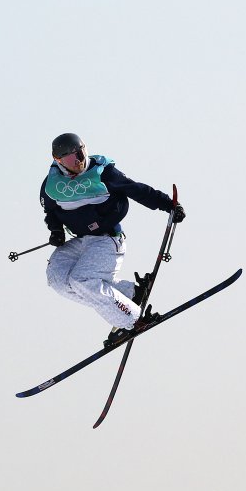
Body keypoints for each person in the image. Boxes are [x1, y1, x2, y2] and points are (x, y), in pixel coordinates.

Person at [41, 133, 186, 345]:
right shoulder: (52, 185)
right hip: (81, 241)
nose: (79, 160)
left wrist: (168, 204)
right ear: (58, 161)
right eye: (71, 159)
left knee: (82, 281)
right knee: (58, 278)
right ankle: (129, 294)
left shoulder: (101, 172)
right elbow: (51, 212)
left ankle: (132, 319)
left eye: (80, 153)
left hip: (106, 240)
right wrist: (56, 232)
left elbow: (136, 189)